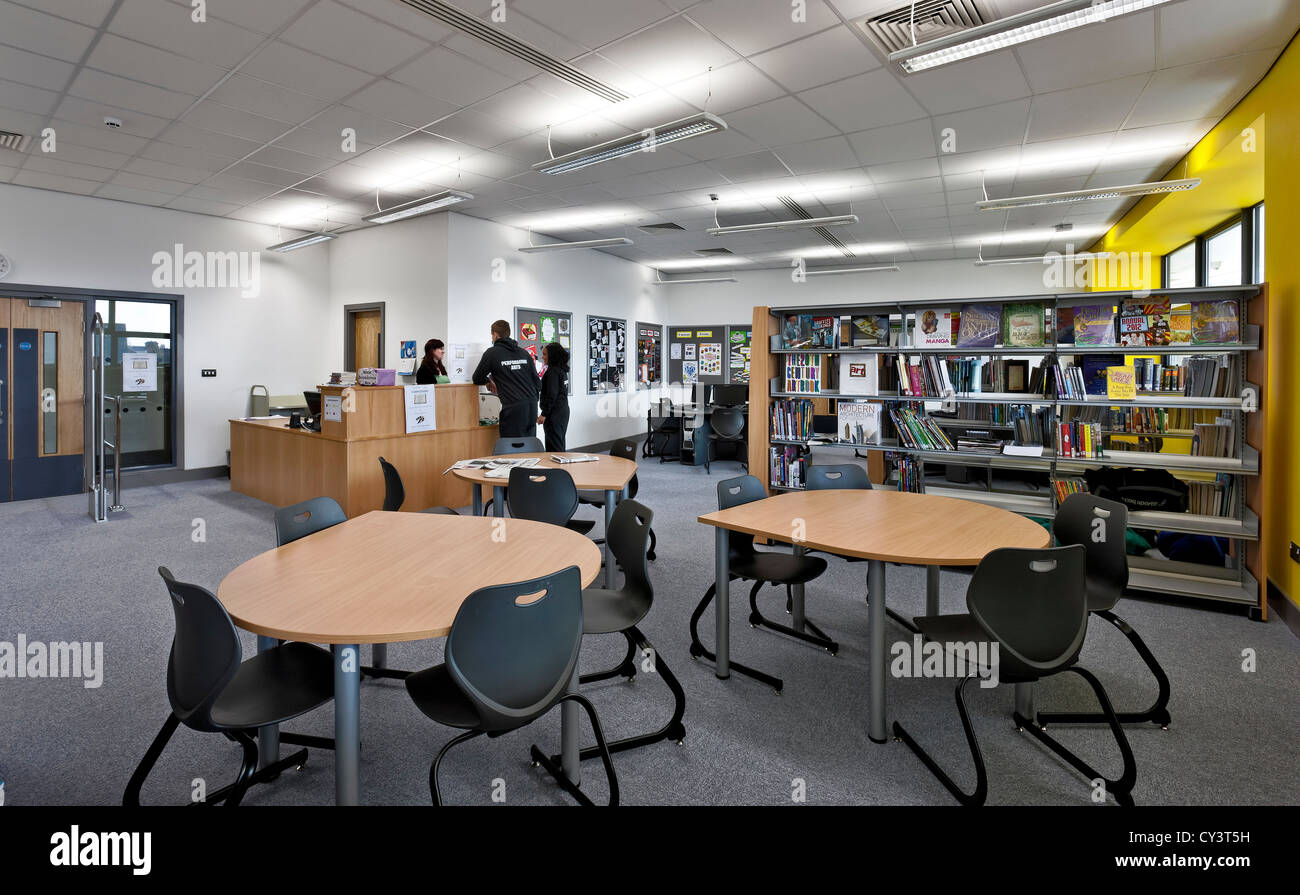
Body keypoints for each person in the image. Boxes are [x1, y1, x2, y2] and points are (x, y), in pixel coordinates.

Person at [472, 320, 540, 438]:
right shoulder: (524, 353)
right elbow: (537, 382)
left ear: (495, 335)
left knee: (512, 447)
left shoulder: (492, 353)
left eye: (492, 336)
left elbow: (477, 378)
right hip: (532, 406)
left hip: (513, 408)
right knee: (530, 446)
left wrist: (488, 381)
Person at [538, 341, 570, 452]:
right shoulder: (561, 370)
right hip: (562, 412)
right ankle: (559, 468)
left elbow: (551, 395)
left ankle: (557, 468)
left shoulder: (553, 372)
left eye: (545, 354)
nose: (542, 357)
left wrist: (543, 414)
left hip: (554, 414)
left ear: (552, 356)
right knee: (558, 443)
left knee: (554, 447)